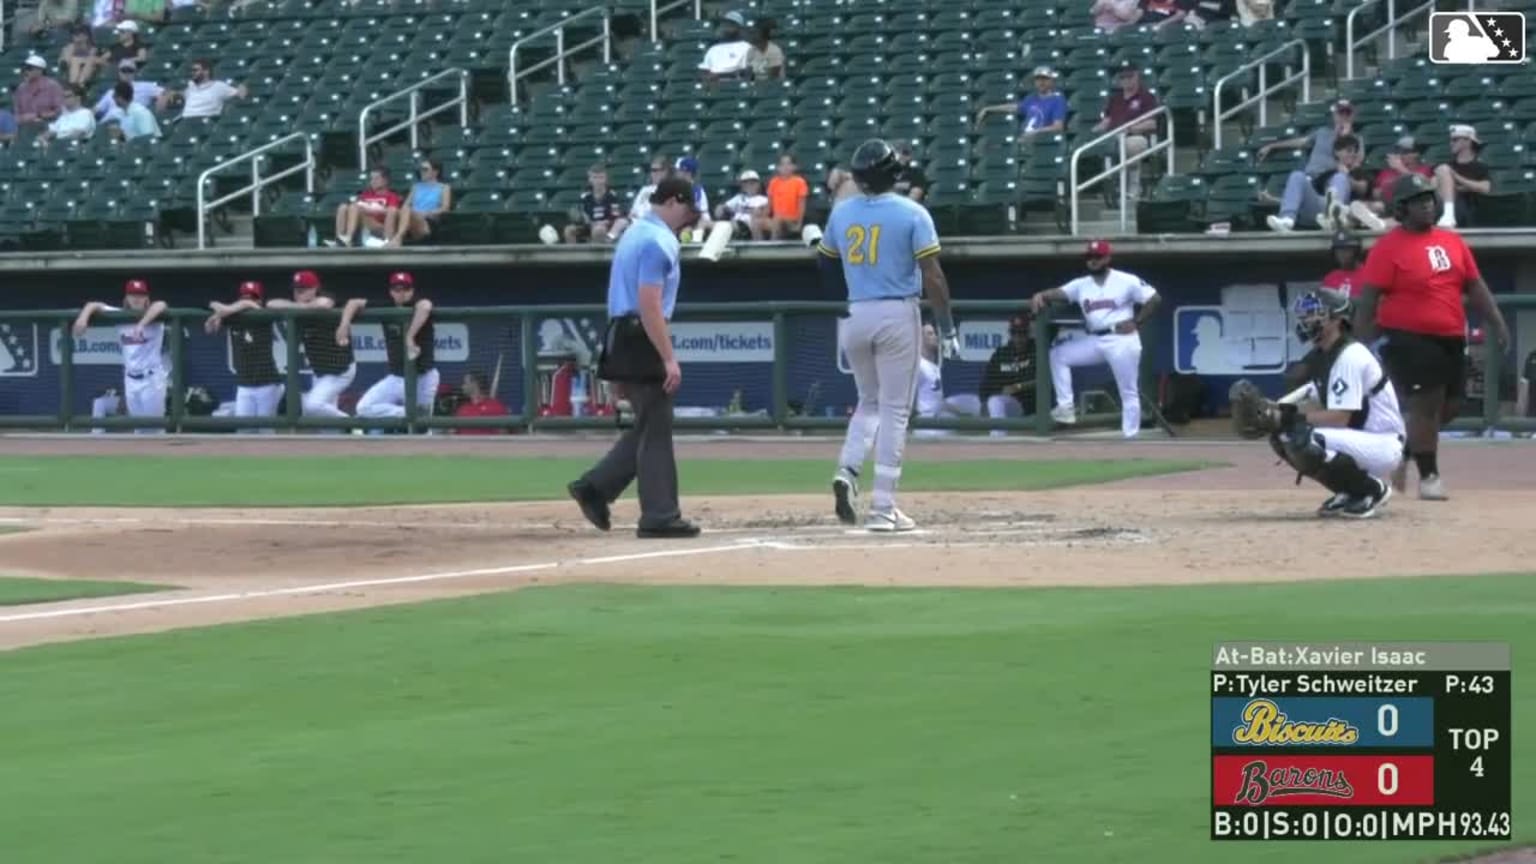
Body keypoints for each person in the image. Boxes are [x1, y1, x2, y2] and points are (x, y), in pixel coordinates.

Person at [820, 138, 957, 532]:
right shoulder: (912, 212)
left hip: (857, 311)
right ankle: (883, 507)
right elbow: (933, 274)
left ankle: (847, 469)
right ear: (893, 173)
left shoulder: (842, 213)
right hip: (897, 311)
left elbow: (824, 262)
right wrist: (945, 324)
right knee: (895, 409)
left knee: (868, 403)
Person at [1353, 173, 1509, 501]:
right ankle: (1430, 476)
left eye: (1429, 199)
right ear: (1402, 208)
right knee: (1426, 404)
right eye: (1418, 201)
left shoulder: (1452, 241)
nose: (1427, 205)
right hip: (1409, 337)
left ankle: (1403, 451)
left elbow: (1475, 286)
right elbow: (1368, 300)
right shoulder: (1387, 248)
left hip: (1452, 334)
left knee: (1450, 407)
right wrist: (1358, 342)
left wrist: (1496, 321)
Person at [567, 177, 702, 539]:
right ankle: (659, 514)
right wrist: (668, 357)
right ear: (674, 201)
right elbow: (649, 303)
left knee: (648, 421)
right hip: (640, 334)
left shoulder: (634, 232)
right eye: (688, 211)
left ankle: (595, 487)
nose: (689, 219)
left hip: (621, 332)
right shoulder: (658, 241)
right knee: (656, 424)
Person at [1237, 289, 1403, 519]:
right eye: (1305, 315)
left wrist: (1287, 418)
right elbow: (1308, 399)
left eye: (1315, 314)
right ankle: (1348, 490)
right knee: (1282, 436)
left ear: (1337, 319)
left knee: (1303, 438)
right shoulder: (1323, 355)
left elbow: (1339, 417)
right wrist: (1273, 410)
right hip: (1361, 440)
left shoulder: (1350, 355)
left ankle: (1370, 490)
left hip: (1383, 444)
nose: (1306, 320)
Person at [1031, 240, 1161, 438]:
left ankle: (1131, 437)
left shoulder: (1126, 280)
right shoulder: (1081, 284)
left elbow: (1154, 298)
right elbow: (1059, 293)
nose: (1093, 261)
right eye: (1089, 257)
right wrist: (1041, 294)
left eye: (1097, 257)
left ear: (1107, 258)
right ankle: (1066, 408)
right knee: (1058, 355)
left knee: (1128, 391)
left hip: (1121, 340)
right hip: (1096, 339)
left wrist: (1137, 321)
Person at [72, 279, 169, 433]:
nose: (136, 298)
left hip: (152, 379)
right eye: (132, 295)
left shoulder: (155, 317)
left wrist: (141, 324)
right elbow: (93, 305)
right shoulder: (119, 316)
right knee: (139, 429)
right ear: (126, 298)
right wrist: (83, 317)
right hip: (130, 379)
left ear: (147, 299)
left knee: (154, 429)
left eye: (141, 295)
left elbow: (161, 304)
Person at [266, 270, 359, 421]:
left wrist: (298, 307)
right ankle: (341, 438)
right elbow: (271, 304)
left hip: (340, 370)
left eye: (302, 290)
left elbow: (325, 303)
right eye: (296, 290)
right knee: (323, 419)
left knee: (313, 405)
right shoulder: (298, 306)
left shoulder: (327, 296)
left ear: (315, 289)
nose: (298, 294)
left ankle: (353, 423)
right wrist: (300, 306)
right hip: (321, 371)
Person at [349, 271, 439, 421]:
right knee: (364, 408)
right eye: (397, 289)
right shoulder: (385, 306)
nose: (402, 293)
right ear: (391, 292)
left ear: (412, 291)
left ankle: (417, 415)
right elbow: (354, 303)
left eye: (406, 289)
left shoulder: (417, 303)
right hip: (397, 378)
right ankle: (410, 413)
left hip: (424, 377)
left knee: (423, 427)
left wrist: (409, 336)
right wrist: (345, 325)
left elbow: (426, 306)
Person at [204, 280, 283, 430]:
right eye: (245, 297)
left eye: (253, 297)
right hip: (245, 384)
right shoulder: (234, 319)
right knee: (243, 431)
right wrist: (218, 315)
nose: (248, 300)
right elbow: (209, 327)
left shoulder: (263, 316)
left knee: (265, 431)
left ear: (259, 299)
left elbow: (250, 306)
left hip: (267, 383)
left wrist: (234, 307)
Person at [1266, 134, 1365, 233]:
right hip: (1319, 209)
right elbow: (1305, 196)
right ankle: (1287, 220)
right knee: (1297, 176)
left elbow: (1364, 188)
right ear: (1337, 153)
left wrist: (1347, 177)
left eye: (1355, 151)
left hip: (1344, 212)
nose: (1352, 154)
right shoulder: (1327, 173)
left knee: (1340, 178)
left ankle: (1333, 217)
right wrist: (1273, 199)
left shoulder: (1359, 172)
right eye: (1348, 151)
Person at [913, 321, 982, 437]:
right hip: (926, 419)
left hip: (941, 416)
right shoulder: (917, 364)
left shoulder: (937, 366)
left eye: (934, 333)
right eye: (930, 334)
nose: (935, 337)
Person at [978, 313, 1038, 428]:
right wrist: (999, 391)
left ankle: (997, 439)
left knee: (996, 402)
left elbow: (1039, 381)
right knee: (994, 401)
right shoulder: (1001, 353)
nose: (1018, 338)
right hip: (1001, 402)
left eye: (1022, 333)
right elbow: (986, 384)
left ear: (1028, 333)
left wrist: (1017, 387)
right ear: (1010, 334)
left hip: (1025, 406)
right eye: (1014, 333)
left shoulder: (1036, 352)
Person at [975, 66, 1067, 138]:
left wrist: (1035, 132)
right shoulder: (1031, 98)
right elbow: (1013, 107)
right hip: (1025, 139)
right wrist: (989, 109)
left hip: (1042, 141)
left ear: (1051, 81)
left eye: (1044, 79)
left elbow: (1058, 127)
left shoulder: (1057, 100)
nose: (1041, 82)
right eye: (1038, 79)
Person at [1433, 124, 1490, 229]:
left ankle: (1449, 215)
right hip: (1439, 205)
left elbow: (1485, 188)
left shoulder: (1479, 166)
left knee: (1444, 169)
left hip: (1466, 207)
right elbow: (1433, 185)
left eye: (1455, 140)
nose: (1451, 143)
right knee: (1441, 170)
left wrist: (1456, 177)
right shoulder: (1448, 165)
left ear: (1467, 141)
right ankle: (1447, 214)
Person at [329, 167, 401, 248]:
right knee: (343, 207)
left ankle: (348, 238)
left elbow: (392, 211)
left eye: (376, 178)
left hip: (379, 226)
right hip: (364, 222)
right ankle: (339, 239)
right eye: (371, 179)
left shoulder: (391, 196)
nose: (373, 181)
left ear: (385, 181)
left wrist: (370, 209)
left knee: (355, 207)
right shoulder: (366, 194)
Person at [389, 159, 453, 247]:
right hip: (412, 217)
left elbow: (445, 208)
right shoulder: (416, 187)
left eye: (425, 169)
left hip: (428, 221)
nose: (422, 172)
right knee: (392, 210)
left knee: (408, 211)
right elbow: (406, 205)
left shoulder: (444, 188)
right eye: (421, 169)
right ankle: (388, 240)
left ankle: (397, 238)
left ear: (435, 172)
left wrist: (426, 213)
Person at [565, 164, 627, 244]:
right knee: (569, 230)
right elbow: (581, 215)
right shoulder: (585, 197)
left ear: (606, 179)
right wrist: (585, 220)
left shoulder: (612, 196)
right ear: (590, 179)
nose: (598, 181)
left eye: (601, 177)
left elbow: (615, 217)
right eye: (595, 177)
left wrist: (602, 223)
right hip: (589, 226)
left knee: (598, 230)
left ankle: (597, 256)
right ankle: (573, 256)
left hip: (606, 227)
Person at [765, 152, 808, 239]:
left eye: (789, 164)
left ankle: (772, 248)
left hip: (792, 220)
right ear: (778, 167)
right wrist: (763, 217)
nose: (785, 167)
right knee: (756, 222)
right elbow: (769, 205)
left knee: (778, 220)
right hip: (776, 219)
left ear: (794, 167)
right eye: (782, 164)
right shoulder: (774, 182)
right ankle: (758, 250)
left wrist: (799, 224)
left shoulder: (799, 182)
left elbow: (801, 205)